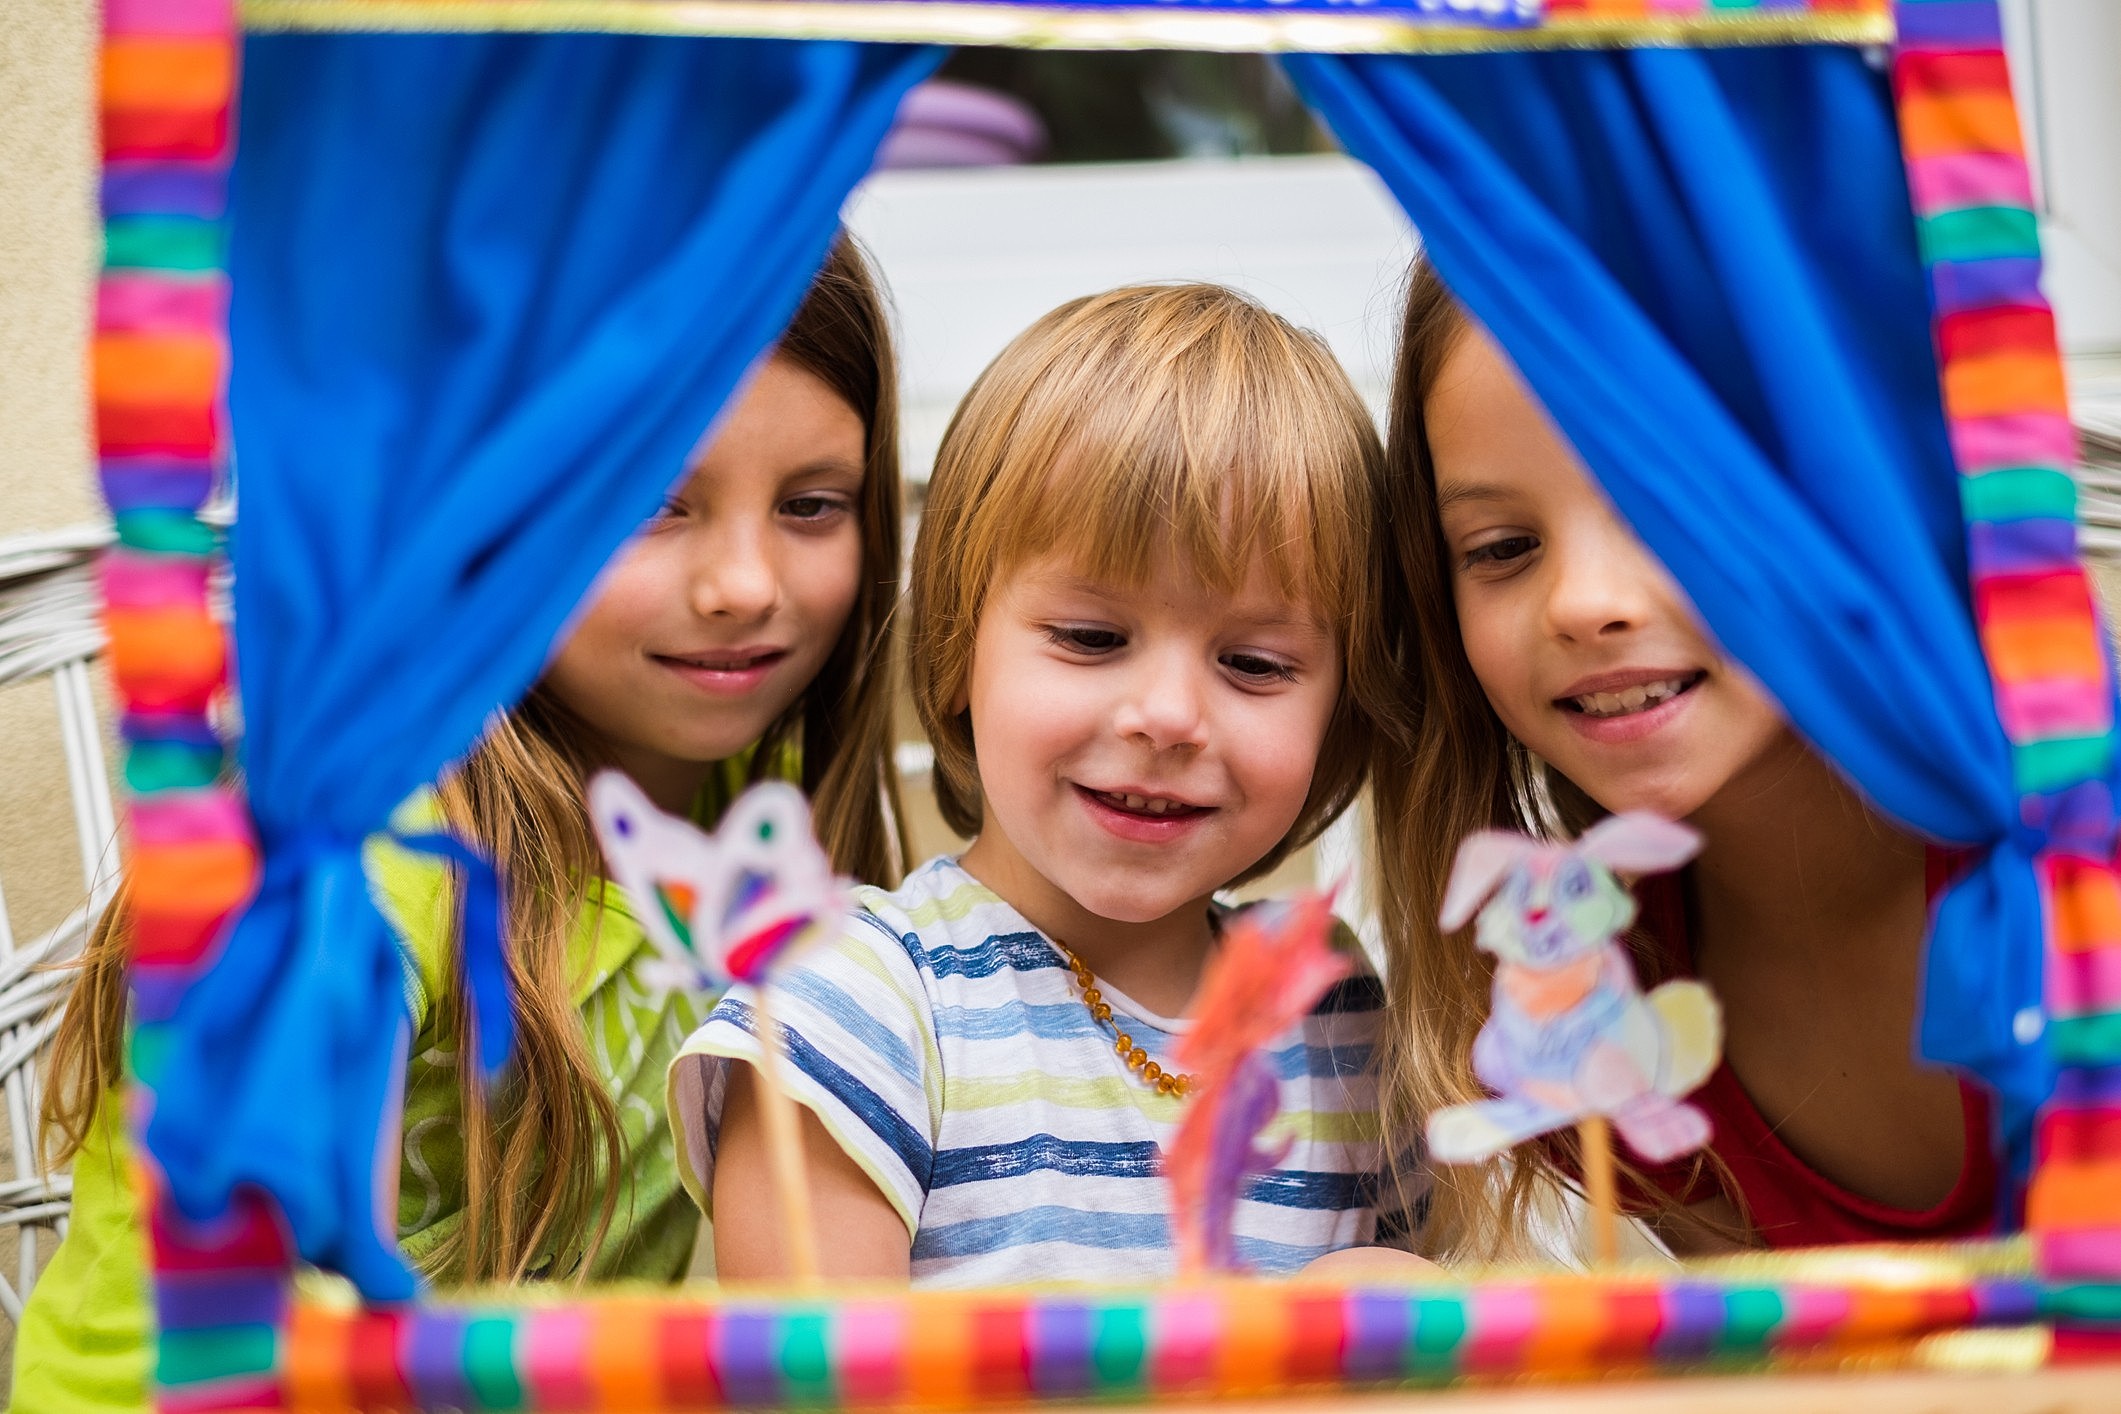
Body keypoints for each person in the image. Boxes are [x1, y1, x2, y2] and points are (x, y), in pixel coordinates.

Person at [17, 235, 909, 1410]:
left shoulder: (751, 812)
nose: (746, 582)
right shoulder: (373, 853)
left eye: (811, 504)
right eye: (649, 499)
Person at [671, 283, 1405, 1283]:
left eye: (1256, 664)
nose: (1170, 715)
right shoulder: (851, 1002)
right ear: (957, 644)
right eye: (1093, 637)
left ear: (1340, 708)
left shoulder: (1333, 1008)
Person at [1360, 259, 1995, 1265]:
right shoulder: (1578, 1013)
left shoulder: (2059, 877)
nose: (1582, 601)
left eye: (1665, 507)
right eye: (1502, 545)